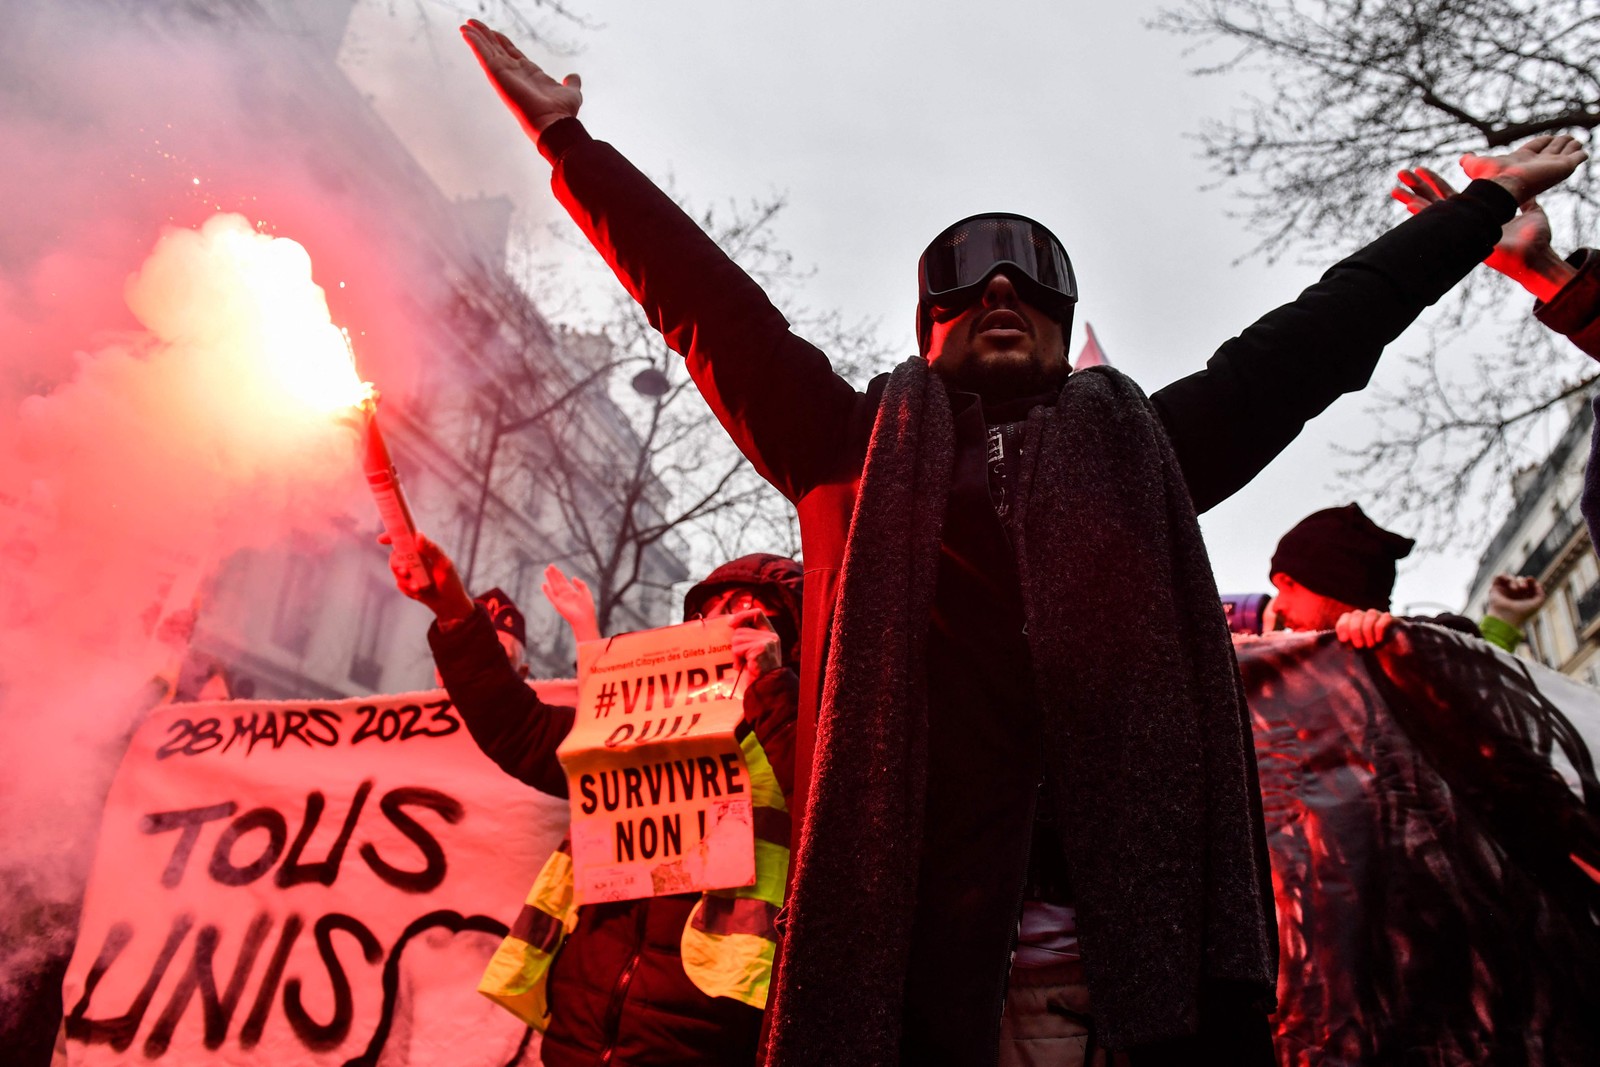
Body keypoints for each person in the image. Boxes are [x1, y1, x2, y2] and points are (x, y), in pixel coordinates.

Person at [459, 21, 1588, 1063]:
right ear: (926, 330)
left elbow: (1316, 339)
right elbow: (704, 301)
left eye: (1033, 280)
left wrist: (1475, 209)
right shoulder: (845, 451)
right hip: (900, 995)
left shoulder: (1148, 456)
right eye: (961, 282)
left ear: (1062, 327)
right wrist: (569, 142)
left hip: (1119, 998)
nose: (999, 285)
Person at [388, 536, 801, 1067]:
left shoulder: (804, 736)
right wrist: (453, 613)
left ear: (791, 643)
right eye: (712, 615)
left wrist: (772, 688)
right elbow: (524, 731)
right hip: (578, 1035)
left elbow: (840, 824)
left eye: (754, 618)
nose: (728, 628)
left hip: (706, 1041)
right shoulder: (642, 732)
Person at [1269, 503, 1546, 651]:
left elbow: (1480, 684)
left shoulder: (1413, 643)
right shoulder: (1307, 669)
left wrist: (1397, 641)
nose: (1278, 605)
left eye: (1289, 586)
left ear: (1335, 583)